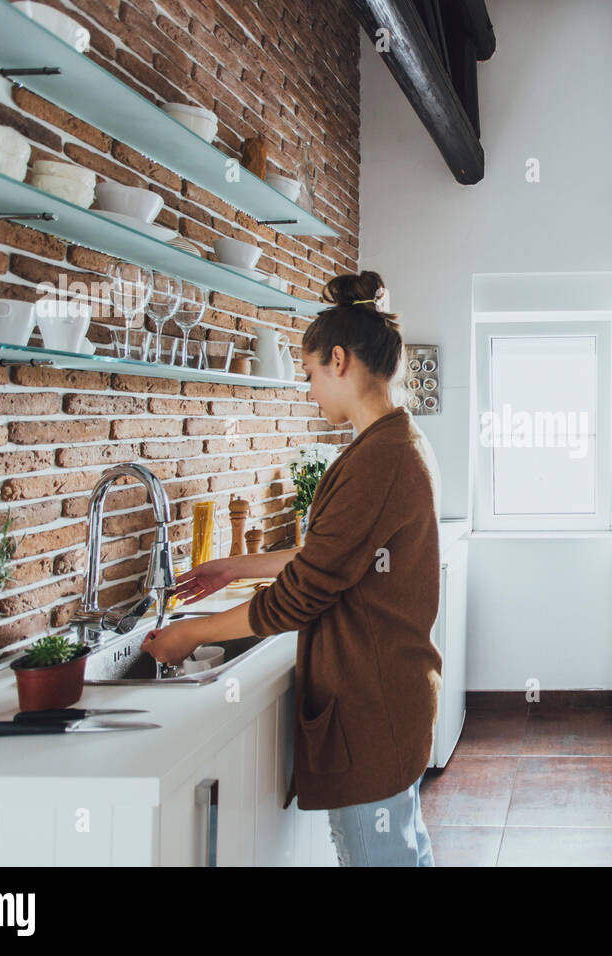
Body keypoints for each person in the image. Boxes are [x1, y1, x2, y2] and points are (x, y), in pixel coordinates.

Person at [142, 271, 441, 866]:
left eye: (308, 375)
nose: (308, 391)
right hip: (389, 700)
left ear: (338, 360)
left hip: (370, 709)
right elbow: (332, 554)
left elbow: (299, 597)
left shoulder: (381, 457)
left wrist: (190, 633)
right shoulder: (390, 441)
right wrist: (235, 567)